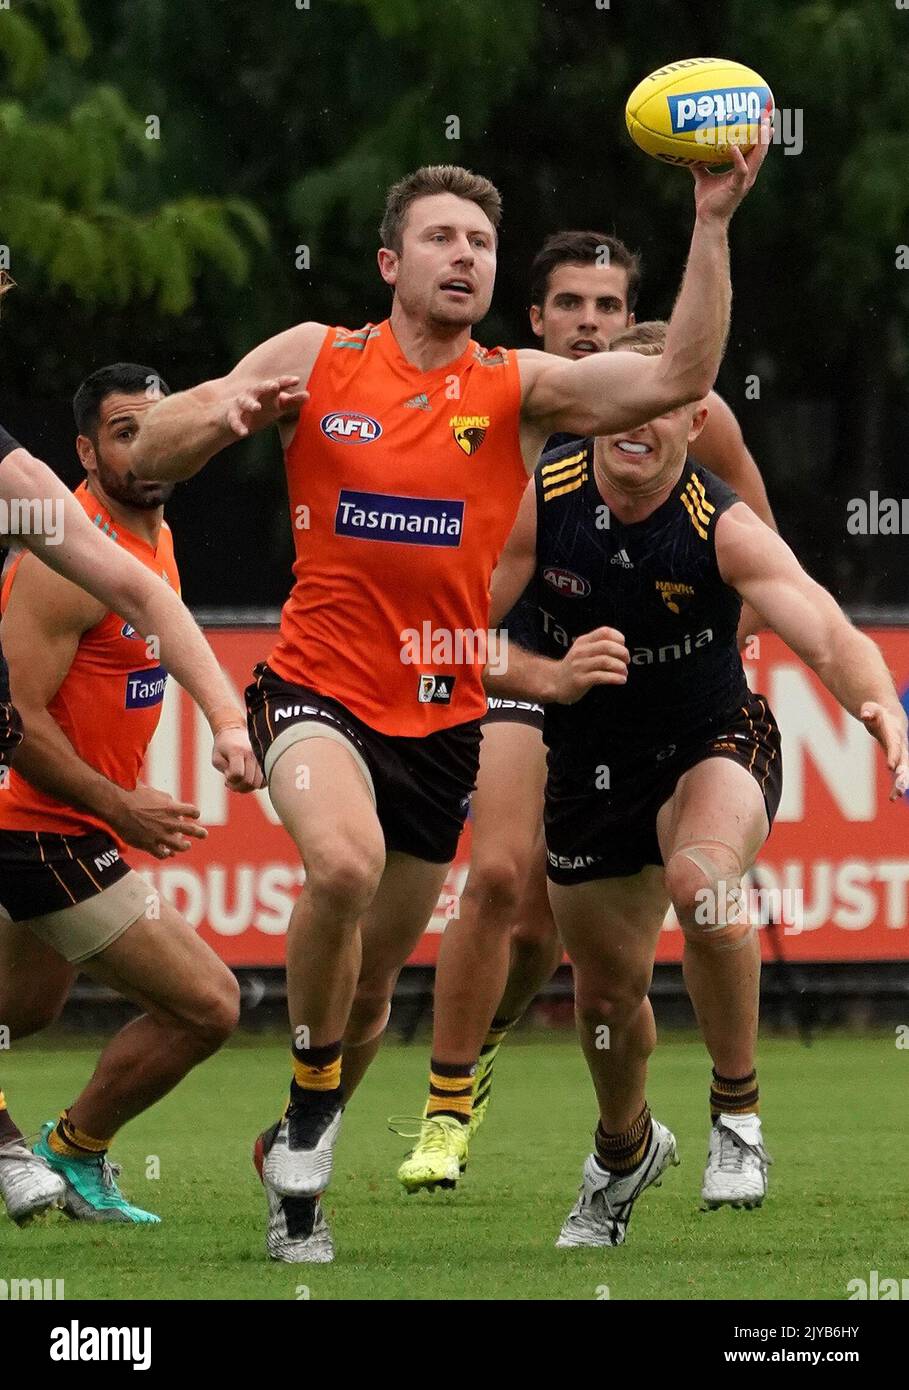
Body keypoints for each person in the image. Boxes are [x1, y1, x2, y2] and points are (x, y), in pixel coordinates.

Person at [130, 140, 768, 1262]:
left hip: (439, 714)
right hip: (314, 687)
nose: (465, 255)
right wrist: (224, 414)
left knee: (374, 987)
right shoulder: (317, 356)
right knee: (340, 864)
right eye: (442, 237)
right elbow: (154, 444)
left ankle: (299, 1150)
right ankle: (316, 1133)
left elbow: (676, 380)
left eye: (480, 241)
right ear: (391, 260)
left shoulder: (514, 388)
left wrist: (711, 224)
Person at [481, 321, 907, 1245]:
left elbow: (827, 634)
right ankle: (623, 1151)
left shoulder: (720, 523)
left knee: (704, 883)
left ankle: (736, 1115)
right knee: (602, 1000)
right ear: (598, 409)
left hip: (713, 737)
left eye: (664, 404)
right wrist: (544, 678)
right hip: (590, 765)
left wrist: (879, 707)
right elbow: (445, 637)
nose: (640, 422)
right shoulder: (538, 499)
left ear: (695, 415)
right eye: (625, 402)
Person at [397, 231, 776, 1194]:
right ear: (536, 318)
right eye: (572, 305)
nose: (591, 324)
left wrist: (731, 639)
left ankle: (672, 1112)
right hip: (522, 649)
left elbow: (758, 543)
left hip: (643, 681)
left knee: (544, 934)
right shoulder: (502, 395)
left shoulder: (682, 403)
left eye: (610, 307)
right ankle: (447, 1105)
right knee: (494, 877)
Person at [0, 366, 250, 1226]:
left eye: (155, 429)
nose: (144, 452)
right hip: (43, 832)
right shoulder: (64, 556)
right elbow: (17, 721)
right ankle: (74, 1150)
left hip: (63, 823)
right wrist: (119, 805)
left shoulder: (151, 535)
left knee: (21, 1012)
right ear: (83, 449)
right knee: (208, 1005)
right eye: (121, 433)